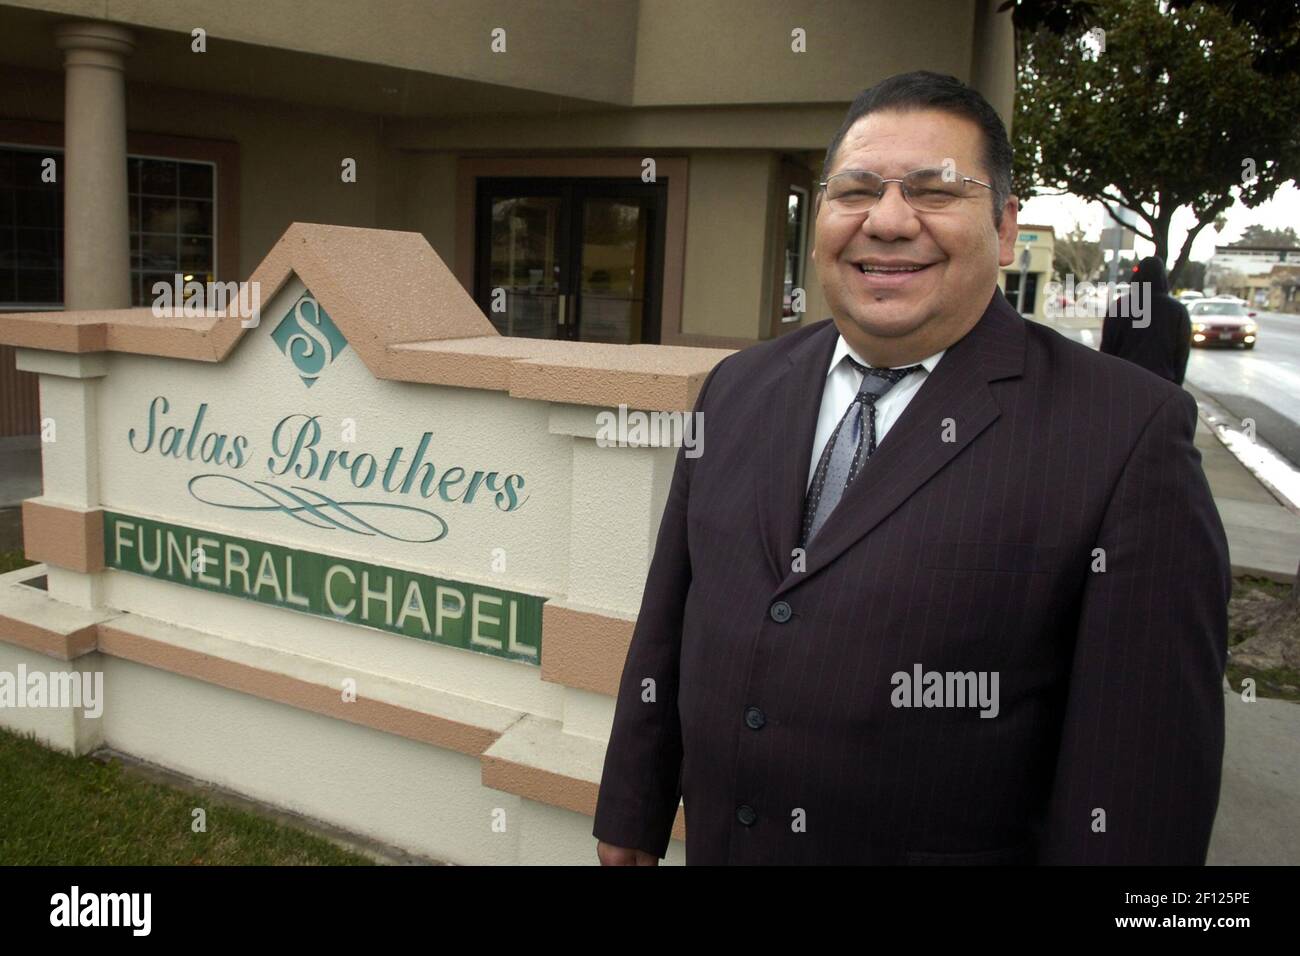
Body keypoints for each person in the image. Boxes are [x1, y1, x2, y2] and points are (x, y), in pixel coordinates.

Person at [592, 71, 1230, 865]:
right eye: (855, 191)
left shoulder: (1127, 436)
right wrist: (631, 814)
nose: (888, 222)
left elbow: (1141, 777)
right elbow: (669, 621)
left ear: (1003, 228)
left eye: (935, 191)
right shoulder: (736, 387)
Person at [1101, 256, 1191, 384]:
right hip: (1161, 385)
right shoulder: (1177, 311)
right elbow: (1181, 355)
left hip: (1123, 381)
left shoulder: (1121, 305)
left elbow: (1107, 349)